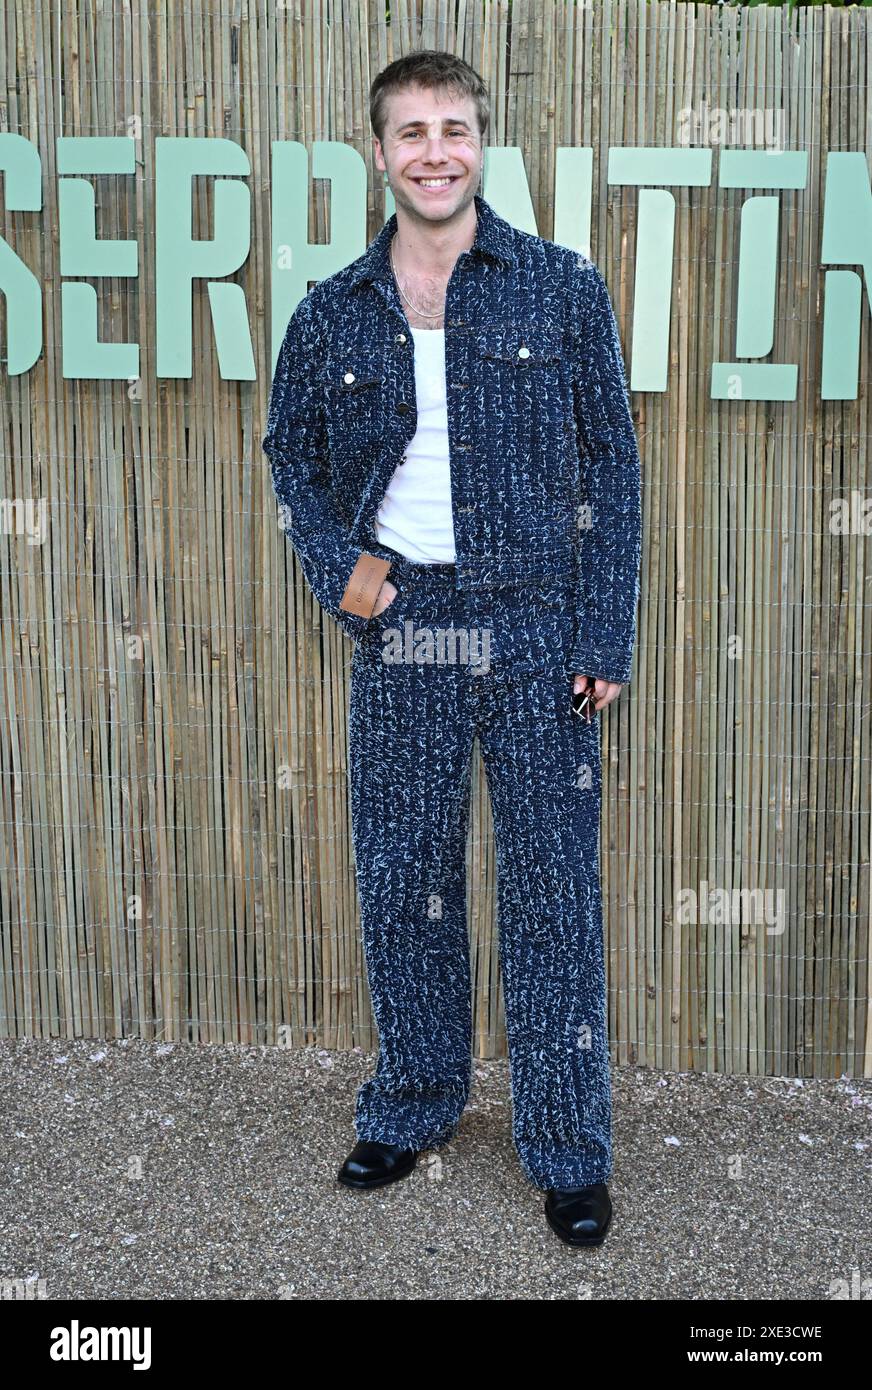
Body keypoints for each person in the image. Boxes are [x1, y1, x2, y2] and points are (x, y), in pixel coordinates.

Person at [262, 50, 642, 1248]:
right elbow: (290, 457)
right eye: (411, 131)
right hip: (407, 630)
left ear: (484, 142)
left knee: (548, 897)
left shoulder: (558, 289)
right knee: (404, 880)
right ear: (376, 152)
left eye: (455, 128)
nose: (435, 150)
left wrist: (601, 633)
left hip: (536, 626)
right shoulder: (332, 310)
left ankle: (567, 1150)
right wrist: (346, 577)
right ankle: (415, 1103)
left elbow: (613, 475)